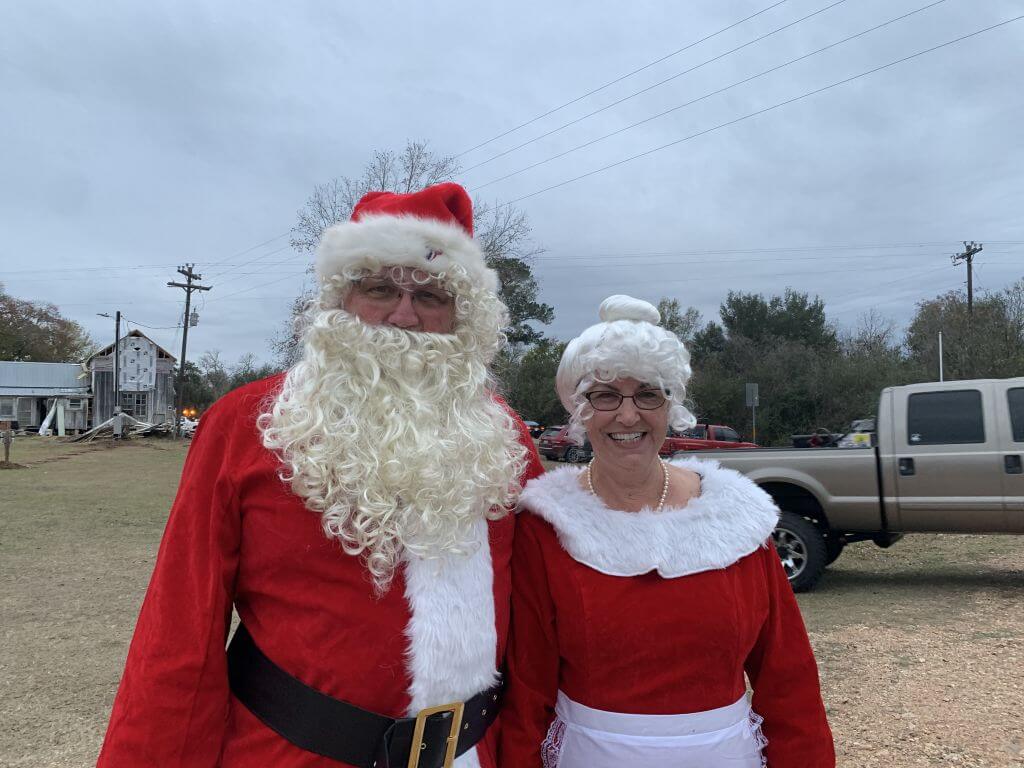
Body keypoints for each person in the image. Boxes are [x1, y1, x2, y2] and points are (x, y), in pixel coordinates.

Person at [97, 182, 544, 768]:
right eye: (380, 288)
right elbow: (180, 627)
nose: (405, 316)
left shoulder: (505, 437)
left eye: (432, 296)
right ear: (340, 300)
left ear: (463, 316)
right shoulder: (246, 424)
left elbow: (537, 631)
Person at [499, 295, 835, 767]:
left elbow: (789, 681)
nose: (628, 415)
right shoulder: (547, 526)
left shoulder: (733, 516)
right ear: (579, 409)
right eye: (605, 395)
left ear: (670, 405)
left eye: (648, 394)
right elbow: (526, 694)